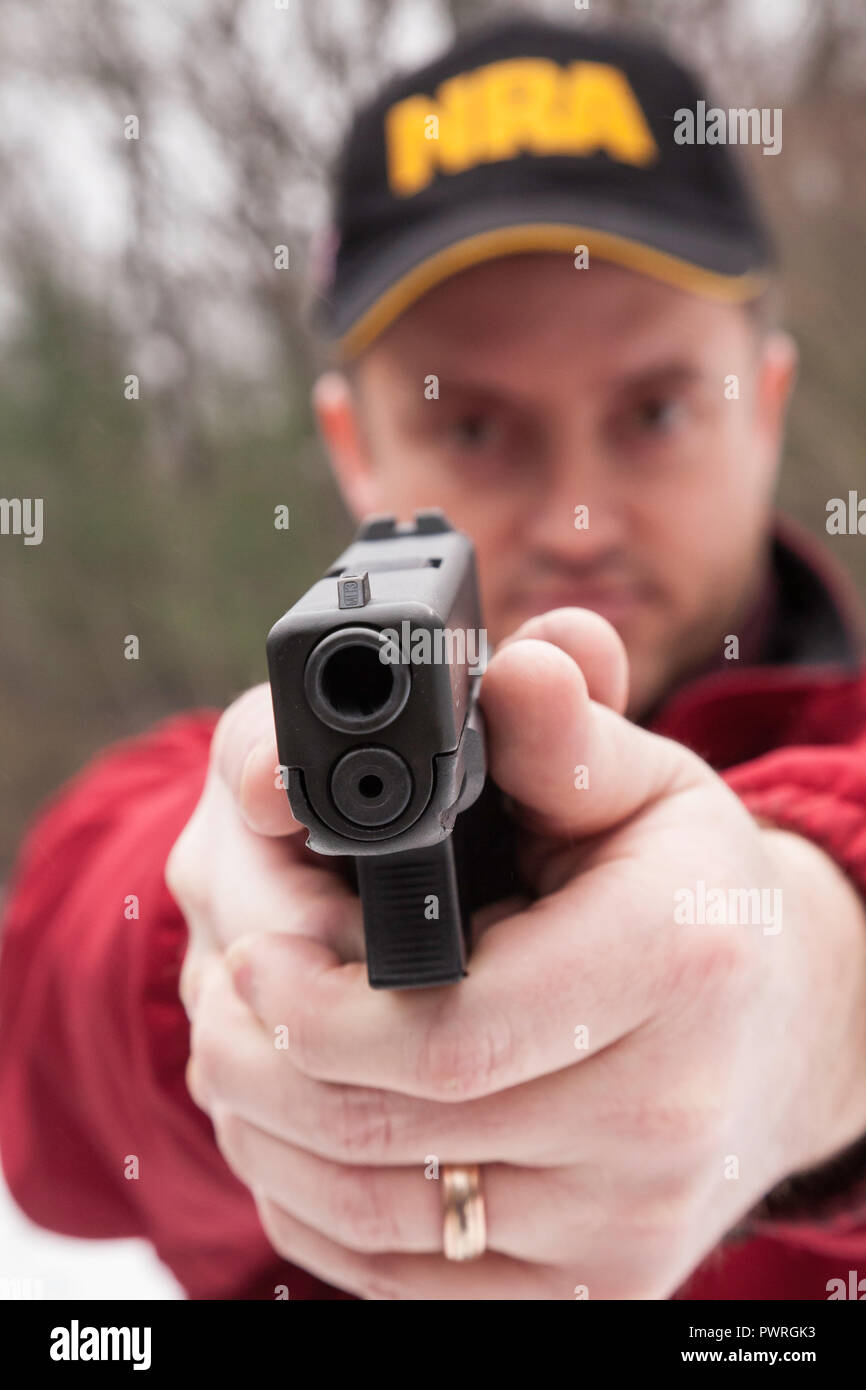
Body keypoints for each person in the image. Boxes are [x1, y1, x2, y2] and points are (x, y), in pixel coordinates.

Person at [3, 17, 866, 1302]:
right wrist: (227, 961)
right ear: (351, 445)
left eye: (655, 411)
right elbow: (49, 1020)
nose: (576, 518)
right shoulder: (190, 797)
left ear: (768, 404)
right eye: (471, 423)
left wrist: (822, 1002)